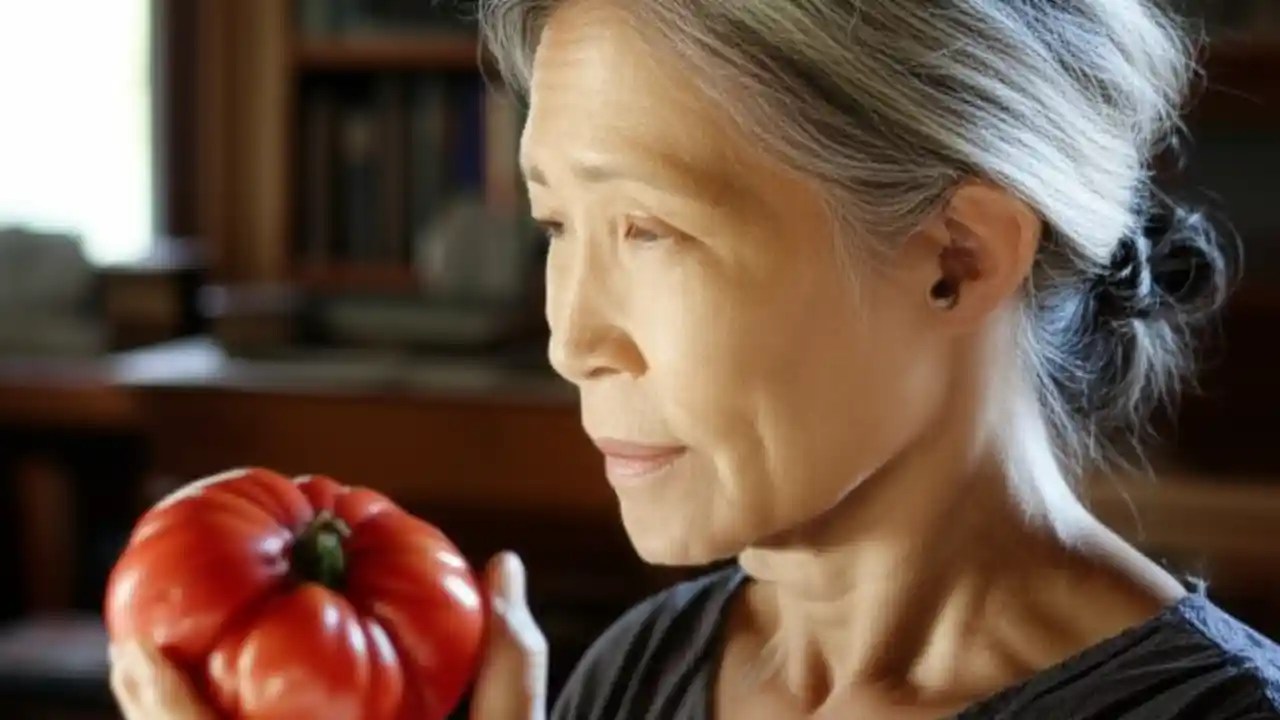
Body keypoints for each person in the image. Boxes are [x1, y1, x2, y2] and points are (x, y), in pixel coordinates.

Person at [110, 0, 1280, 718]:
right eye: (556, 226)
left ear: (956, 259)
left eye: (649, 231)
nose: (572, 340)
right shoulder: (634, 676)